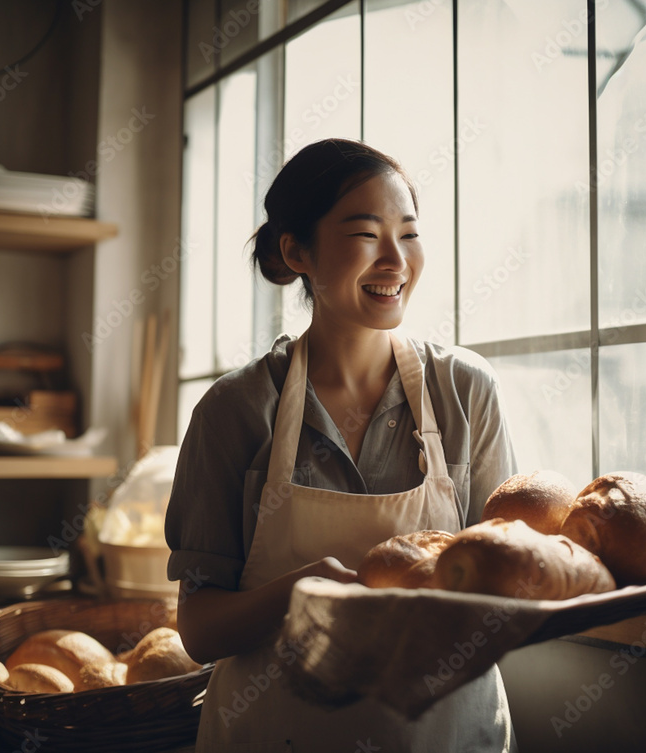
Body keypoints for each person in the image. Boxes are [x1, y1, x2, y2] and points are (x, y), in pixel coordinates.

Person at [165, 138, 518, 752]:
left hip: (448, 735)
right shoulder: (236, 410)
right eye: (366, 234)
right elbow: (198, 629)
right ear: (296, 250)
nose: (396, 261)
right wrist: (306, 590)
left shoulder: (465, 391)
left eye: (408, 235)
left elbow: (506, 579)